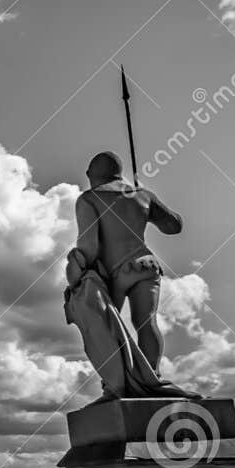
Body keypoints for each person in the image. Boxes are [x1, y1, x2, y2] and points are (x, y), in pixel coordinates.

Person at [74, 151, 182, 368]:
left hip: (115, 271)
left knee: (109, 326)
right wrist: (143, 198)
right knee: (147, 322)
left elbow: (89, 245)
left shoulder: (88, 199)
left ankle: (119, 382)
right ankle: (153, 375)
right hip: (147, 264)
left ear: (90, 174)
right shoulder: (143, 195)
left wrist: (79, 274)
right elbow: (174, 226)